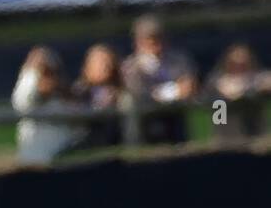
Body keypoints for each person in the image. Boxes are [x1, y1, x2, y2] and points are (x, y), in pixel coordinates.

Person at [121, 14, 197, 145]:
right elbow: (141, 94)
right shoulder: (130, 66)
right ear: (137, 41)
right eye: (147, 38)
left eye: (157, 37)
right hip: (146, 124)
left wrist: (160, 92)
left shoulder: (180, 59)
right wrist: (174, 91)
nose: (153, 42)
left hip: (176, 120)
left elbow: (188, 87)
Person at [11, 46, 80, 165]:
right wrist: (34, 72)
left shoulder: (65, 95)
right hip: (33, 159)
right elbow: (22, 101)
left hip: (62, 156)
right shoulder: (27, 88)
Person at [206, 43, 271, 140]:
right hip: (226, 124)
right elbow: (226, 91)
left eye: (243, 63)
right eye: (235, 63)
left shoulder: (257, 76)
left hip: (253, 125)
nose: (239, 66)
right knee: (219, 104)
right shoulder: (218, 78)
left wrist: (252, 88)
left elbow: (267, 81)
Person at [70, 43, 124, 149]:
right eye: (99, 63)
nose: (105, 66)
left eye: (107, 62)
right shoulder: (79, 91)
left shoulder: (121, 90)